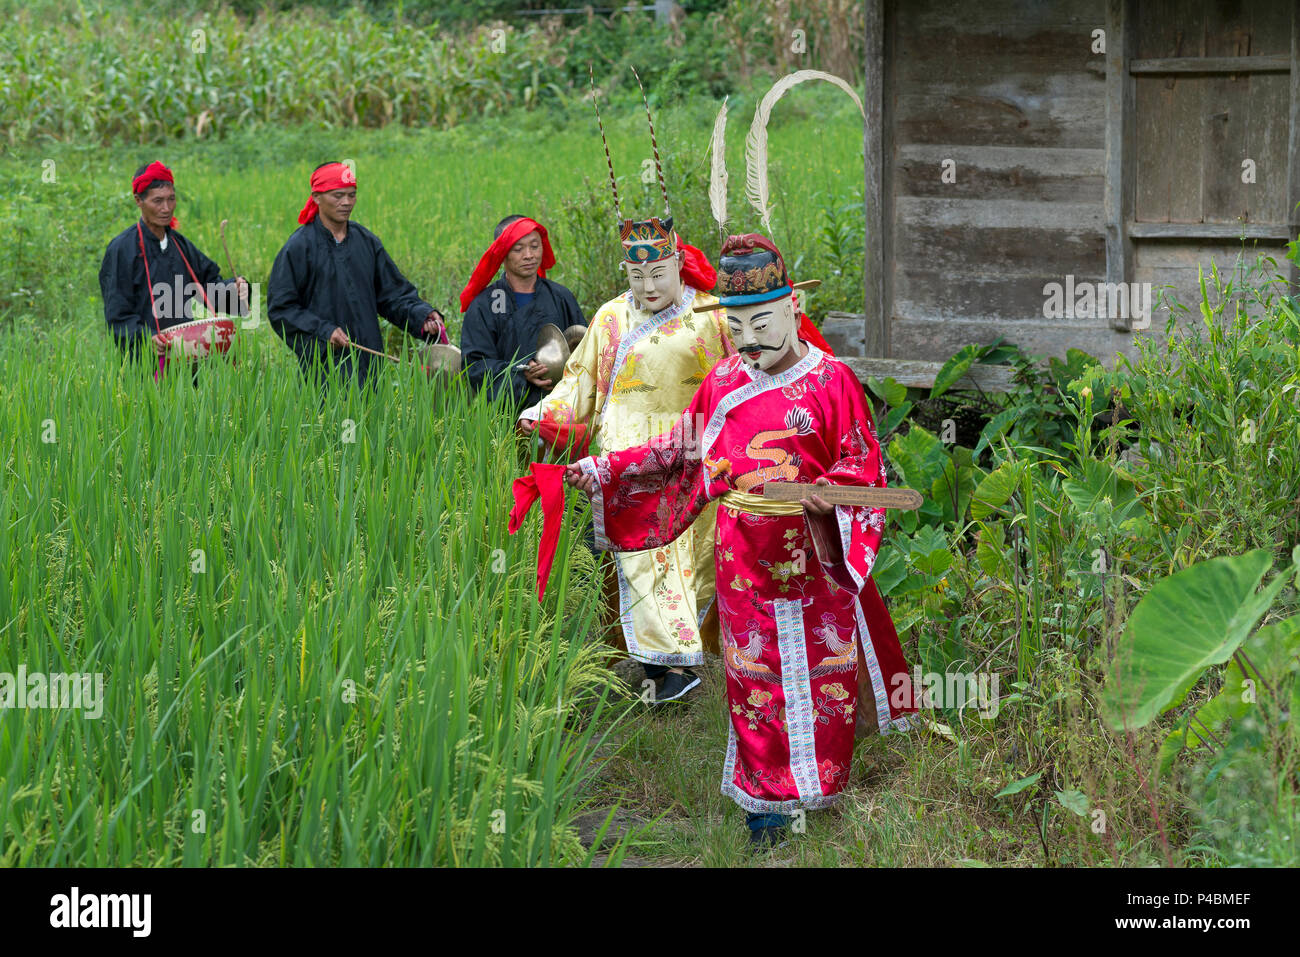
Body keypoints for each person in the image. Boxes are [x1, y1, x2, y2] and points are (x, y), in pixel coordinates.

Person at [564, 233, 917, 848]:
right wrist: (605, 470)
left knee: (821, 665)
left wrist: (826, 494)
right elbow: (677, 451)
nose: (750, 339)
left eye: (762, 322)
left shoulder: (832, 382)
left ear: (792, 312)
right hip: (743, 552)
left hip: (814, 554)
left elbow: (864, 462)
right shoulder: (724, 382)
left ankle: (817, 785)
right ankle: (765, 809)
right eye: (738, 325)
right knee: (752, 675)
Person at [518, 77, 733, 704]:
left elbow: (744, 376)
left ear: (676, 264)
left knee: (693, 559)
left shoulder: (711, 316)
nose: (645, 281)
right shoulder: (611, 317)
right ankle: (664, 670)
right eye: (635, 271)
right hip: (623, 459)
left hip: (692, 449)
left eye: (657, 269)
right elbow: (582, 378)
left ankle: (693, 657)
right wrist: (544, 412)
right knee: (642, 558)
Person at [267, 161, 447, 388]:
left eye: (352, 195)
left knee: (374, 418)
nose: (346, 203)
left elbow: (393, 294)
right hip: (324, 369)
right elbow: (282, 309)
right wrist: (323, 331)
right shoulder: (298, 248)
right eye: (338, 195)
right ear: (316, 197)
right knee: (327, 420)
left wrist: (422, 316)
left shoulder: (366, 242)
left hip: (370, 362)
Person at [99, 161, 249, 366]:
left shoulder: (181, 246)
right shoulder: (122, 250)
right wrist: (146, 338)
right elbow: (118, 315)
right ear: (138, 201)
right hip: (145, 362)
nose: (166, 208)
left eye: (171, 199)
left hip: (188, 359)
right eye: (158, 201)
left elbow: (207, 287)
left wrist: (235, 289)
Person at [458, 214, 585, 410]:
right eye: (518, 249)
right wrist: (521, 371)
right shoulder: (484, 305)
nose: (529, 255)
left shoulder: (560, 297)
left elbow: (584, 349)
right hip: (504, 418)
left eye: (534, 246)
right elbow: (474, 367)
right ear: (502, 253)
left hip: (560, 412)